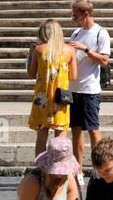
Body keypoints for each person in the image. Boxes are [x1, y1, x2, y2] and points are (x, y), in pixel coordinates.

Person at [69, 0, 111, 171]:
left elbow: (104, 60)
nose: (73, 19)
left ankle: (99, 169)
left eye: (75, 15)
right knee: (76, 130)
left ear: (86, 14)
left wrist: (85, 49)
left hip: (89, 89)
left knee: (93, 130)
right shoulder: (75, 33)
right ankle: (77, 169)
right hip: (72, 89)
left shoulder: (101, 33)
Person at [27, 19, 78, 157]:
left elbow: (31, 74)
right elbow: (73, 76)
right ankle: (59, 167)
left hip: (42, 98)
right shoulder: (69, 50)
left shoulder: (39, 50)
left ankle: (40, 167)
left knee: (41, 137)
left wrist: (31, 53)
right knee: (61, 138)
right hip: (60, 98)